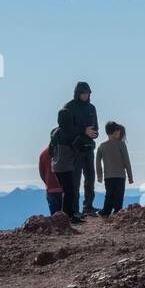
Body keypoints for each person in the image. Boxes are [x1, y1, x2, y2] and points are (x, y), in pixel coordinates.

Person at [55, 81, 99, 219]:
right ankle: (74, 210)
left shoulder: (92, 108)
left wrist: (94, 133)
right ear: (78, 93)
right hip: (74, 149)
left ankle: (88, 206)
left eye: (87, 93)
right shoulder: (69, 107)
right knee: (75, 180)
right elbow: (66, 128)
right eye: (83, 93)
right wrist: (83, 131)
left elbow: (95, 127)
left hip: (88, 147)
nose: (86, 95)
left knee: (90, 177)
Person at [96, 121, 134, 216]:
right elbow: (127, 161)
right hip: (120, 176)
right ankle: (118, 211)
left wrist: (99, 175)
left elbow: (97, 162)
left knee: (109, 195)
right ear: (116, 132)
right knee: (119, 195)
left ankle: (105, 211)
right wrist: (130, 177)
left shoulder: (101, 146)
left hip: (108, 176)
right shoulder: (121, 145)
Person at [38, 144, 62, 215]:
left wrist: (48, 183)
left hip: (50, 189)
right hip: (64, 189)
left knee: (55, 216)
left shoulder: (43, 154)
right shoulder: (63, 151)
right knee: (67, 216)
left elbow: (42, 174)